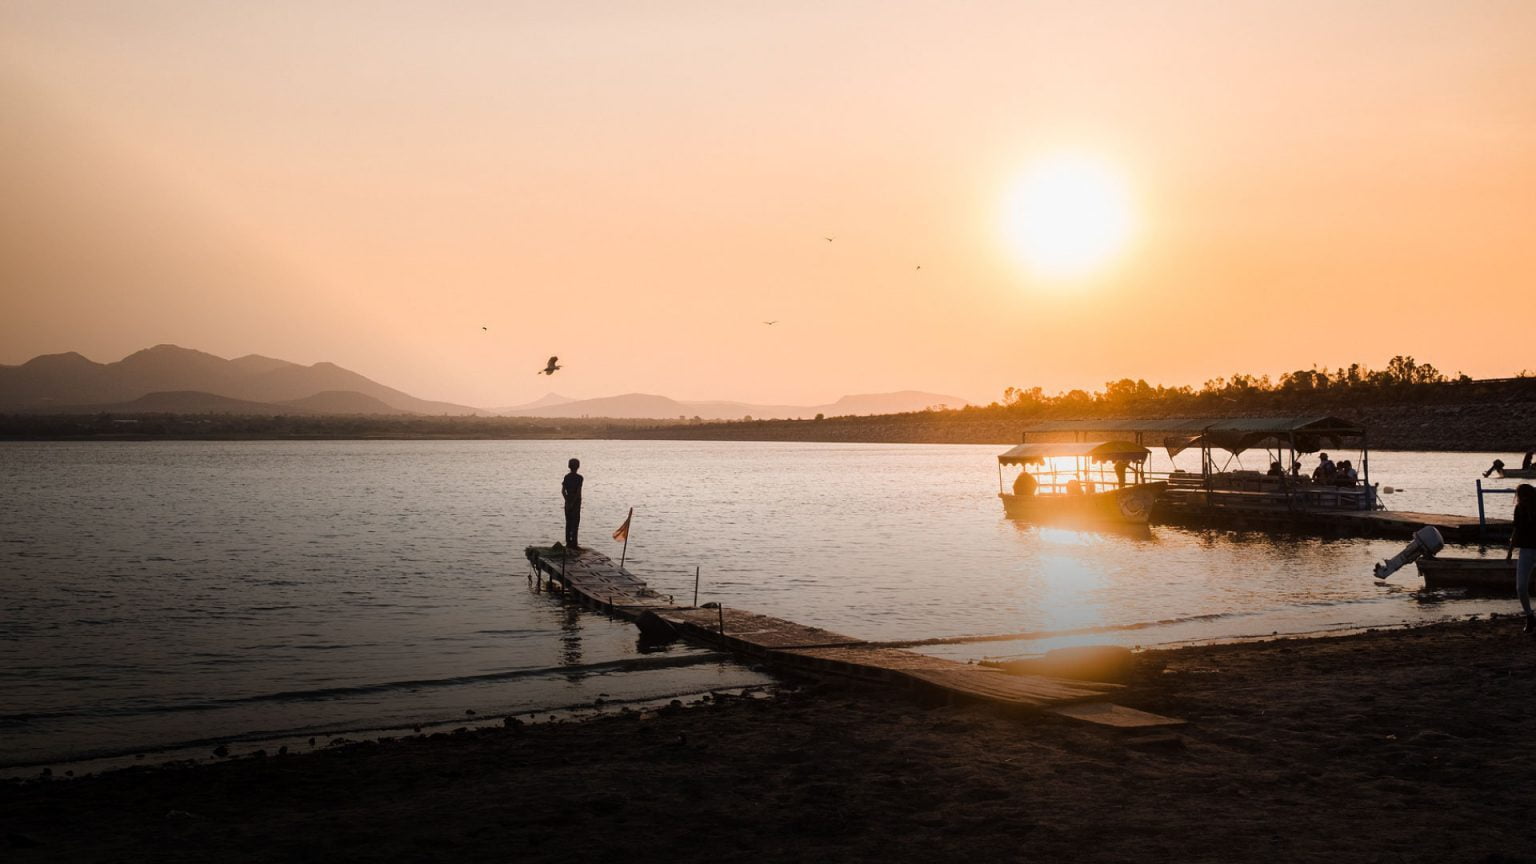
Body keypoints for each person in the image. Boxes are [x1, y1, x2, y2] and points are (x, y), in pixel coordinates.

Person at [1508, 484, 1536, 633]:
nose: (1521, 500)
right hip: (1525, 550)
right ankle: (1529, 616)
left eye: (1524, 497)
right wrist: (1510, 551)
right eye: (1520, 497)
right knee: (1520, 587)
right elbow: (1516, 531)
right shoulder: (1519, 509)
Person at [561, 458, 583, 549]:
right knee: (575, 523)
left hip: (567, 502)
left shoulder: (566, 477)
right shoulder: (579, 478)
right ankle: (574, 543)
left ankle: (568, 542)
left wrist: (567, 501)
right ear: (578, 466)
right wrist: (573, 503)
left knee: (568, 523)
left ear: (569, 466)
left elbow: (563, 491)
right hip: (576, 504)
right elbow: (578, 492)